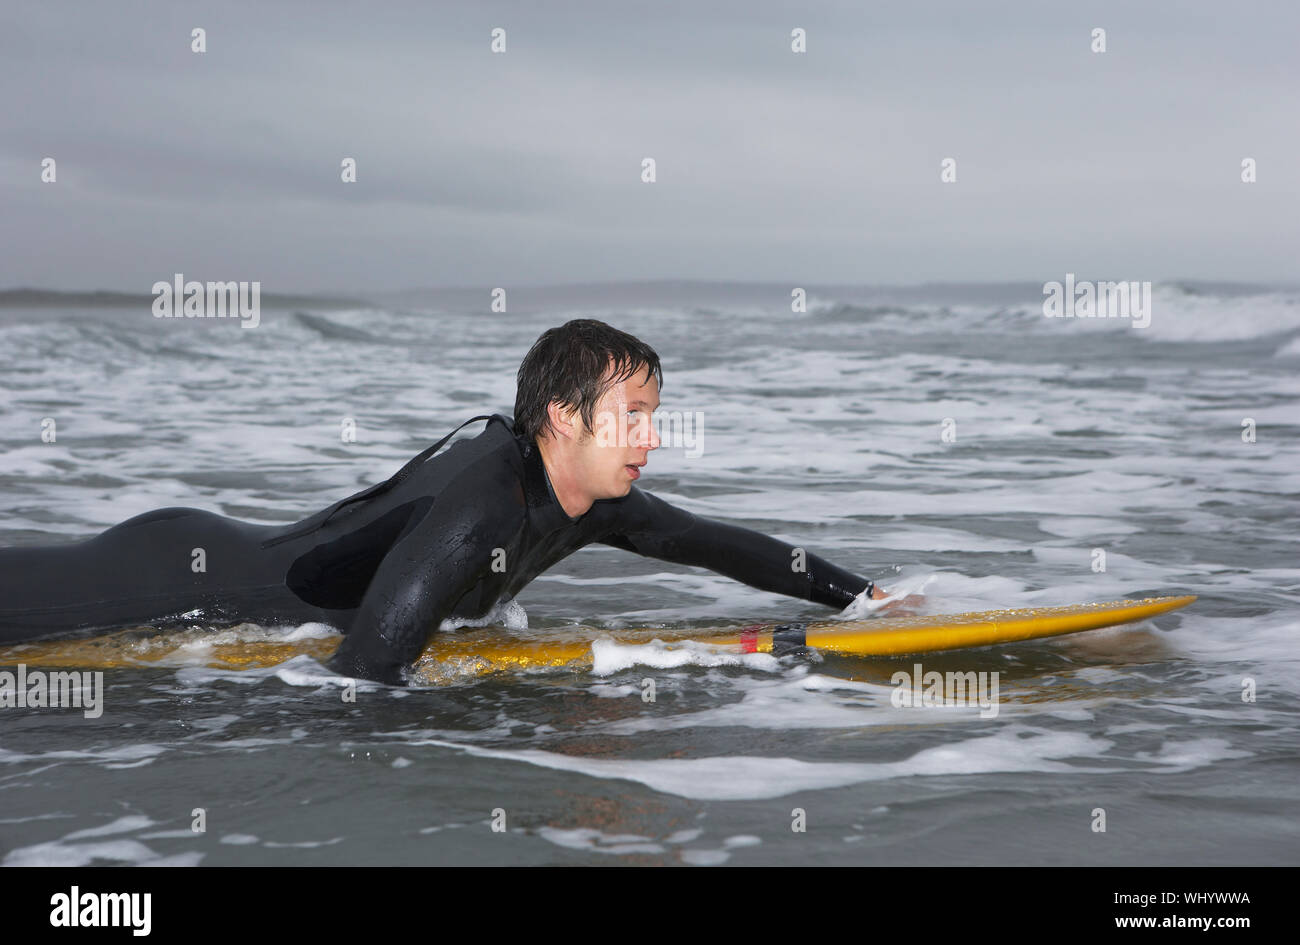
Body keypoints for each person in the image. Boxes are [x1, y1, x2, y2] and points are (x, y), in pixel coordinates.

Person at [0, 320, 887, 684]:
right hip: (166, 584)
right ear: (561, 418)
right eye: (634, 417)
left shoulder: (599, 500)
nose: (652, 438)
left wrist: (864, 599)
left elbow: (720, 546)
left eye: (655, 418)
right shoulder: (486, 506)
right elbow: (362, 676)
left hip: (208, 555)